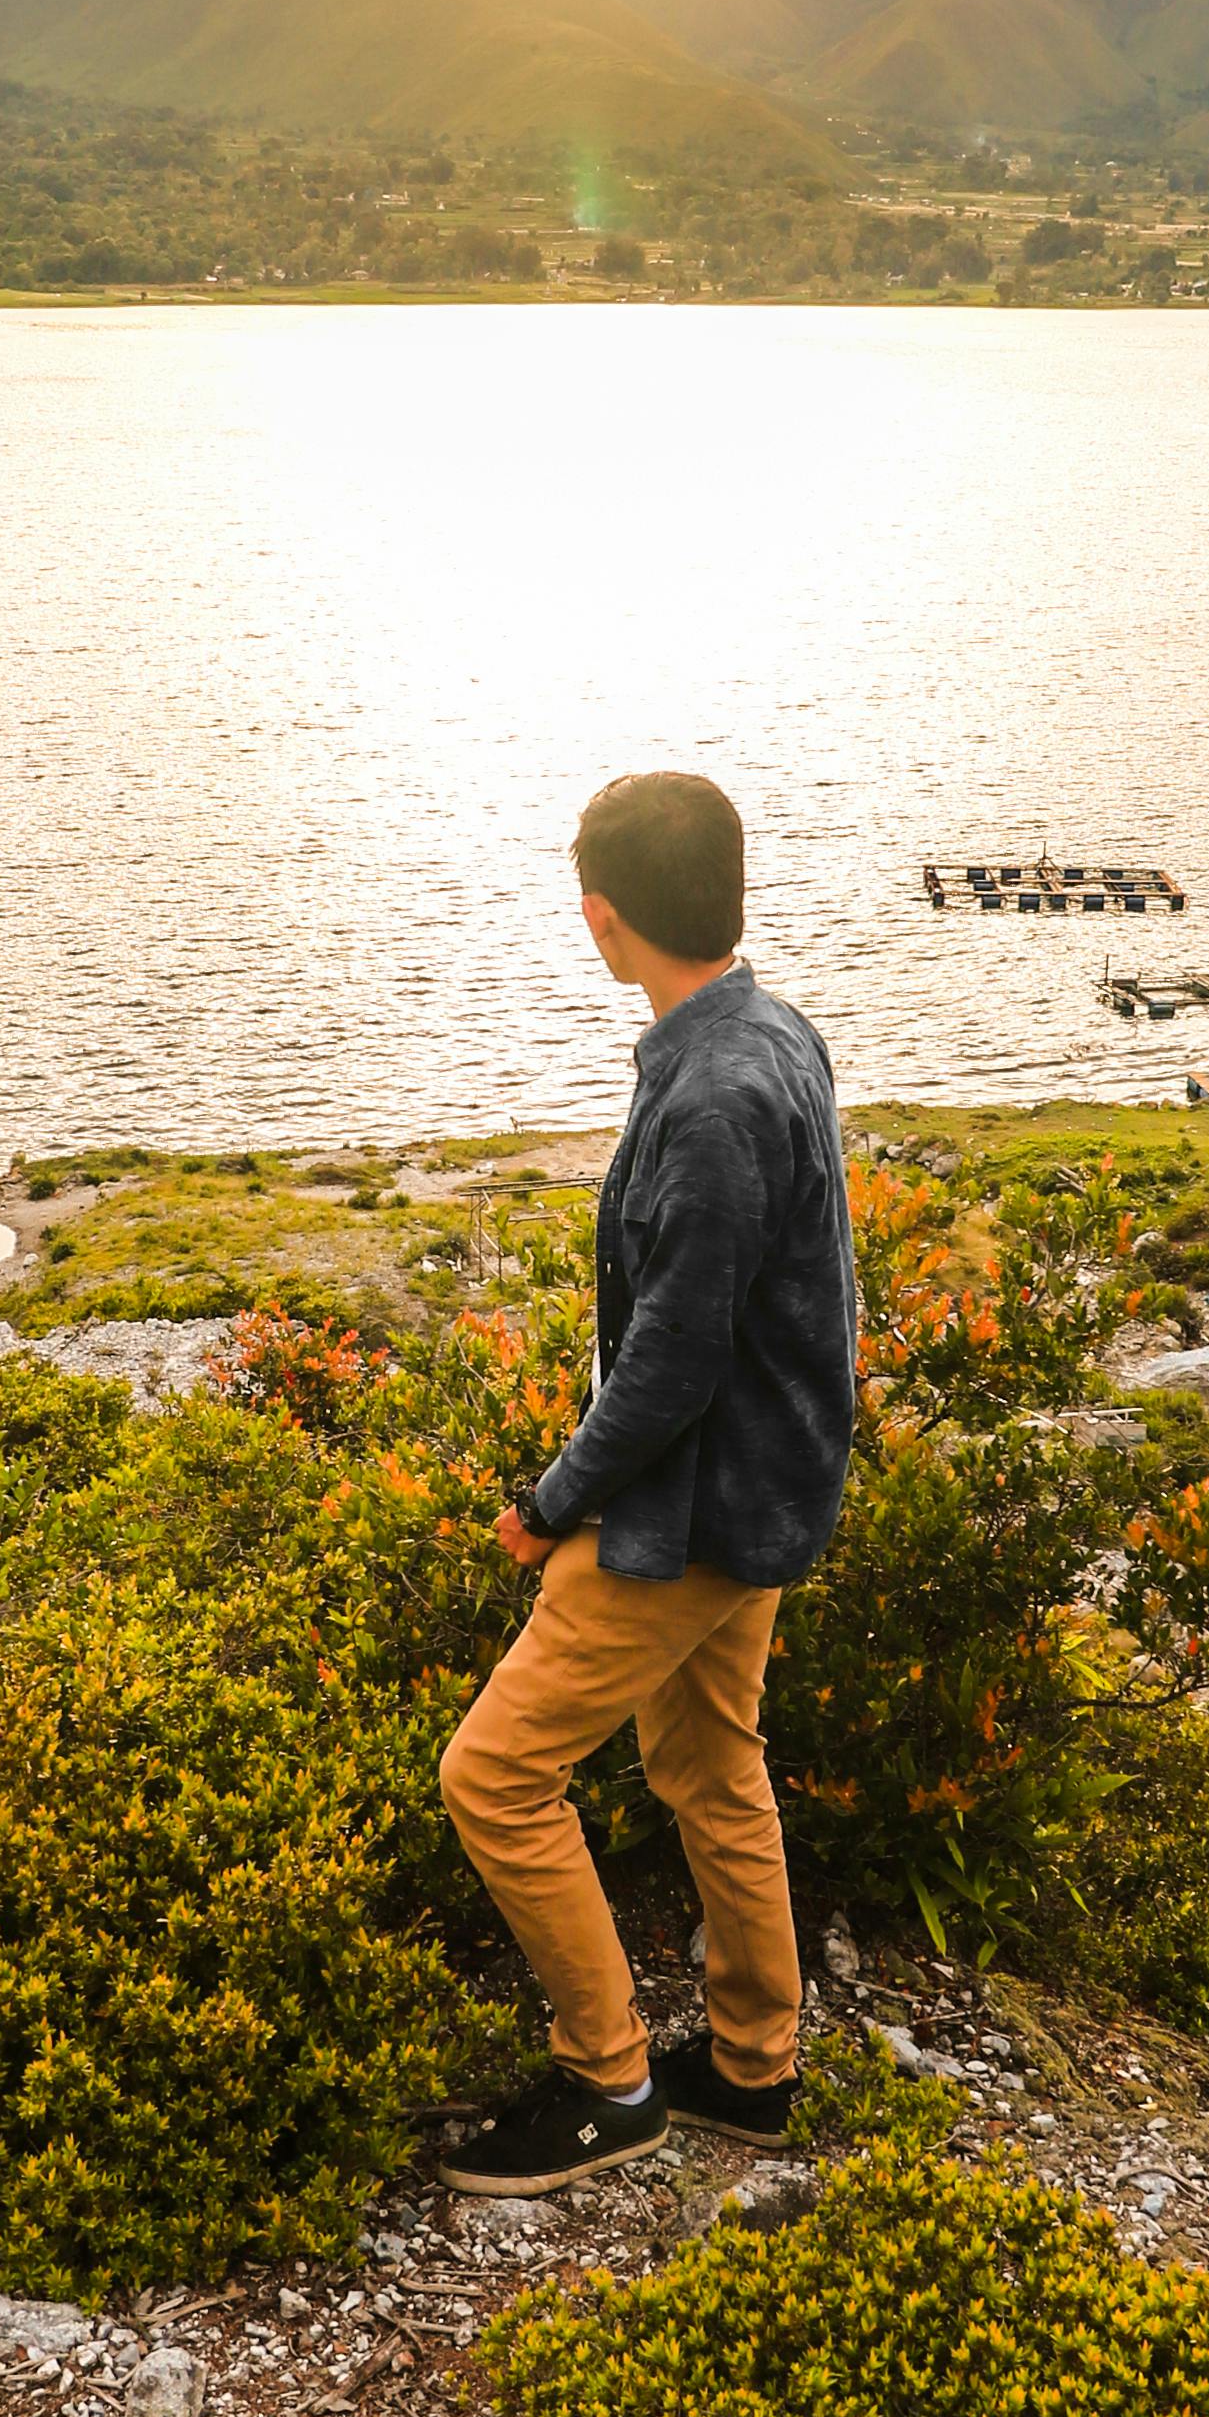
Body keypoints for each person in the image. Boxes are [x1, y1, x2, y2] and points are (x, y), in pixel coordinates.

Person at [434, 768, 857, 2196]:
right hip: (760, 1490)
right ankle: (752, 2069)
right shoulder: (764, 1031)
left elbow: (670, 1366)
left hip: (698, 1511)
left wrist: (551, 1502)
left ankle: (608, 2080)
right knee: (706, 1764)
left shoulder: (715, 1091)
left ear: (602, 916)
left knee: (494, 1776)